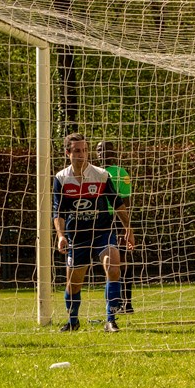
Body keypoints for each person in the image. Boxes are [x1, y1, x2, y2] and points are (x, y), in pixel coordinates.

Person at [53, 133, 135, 333]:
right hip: (77, 235)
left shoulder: (101, 175)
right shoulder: (61, 178)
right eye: (77, 151)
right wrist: (61, 235)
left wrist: (128, 228)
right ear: (68, 153)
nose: (82, 154)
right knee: (73, 284)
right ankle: (73, 321)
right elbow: (58, 211)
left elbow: (117, 203)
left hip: (102, 231)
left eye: (85, 150)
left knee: (114, 265)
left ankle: (111, 320)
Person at [96, 140, 135, 313]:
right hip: (99, 221)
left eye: (105, 149)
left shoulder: (121, 173)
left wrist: (124, 228)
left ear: (114, 153)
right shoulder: (94, 172)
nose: (101, 153)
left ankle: (126, 303)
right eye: (98, 150)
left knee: (122, 262)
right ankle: (116, 303)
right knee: (109, 263)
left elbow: (126, 202)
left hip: (116, 220)